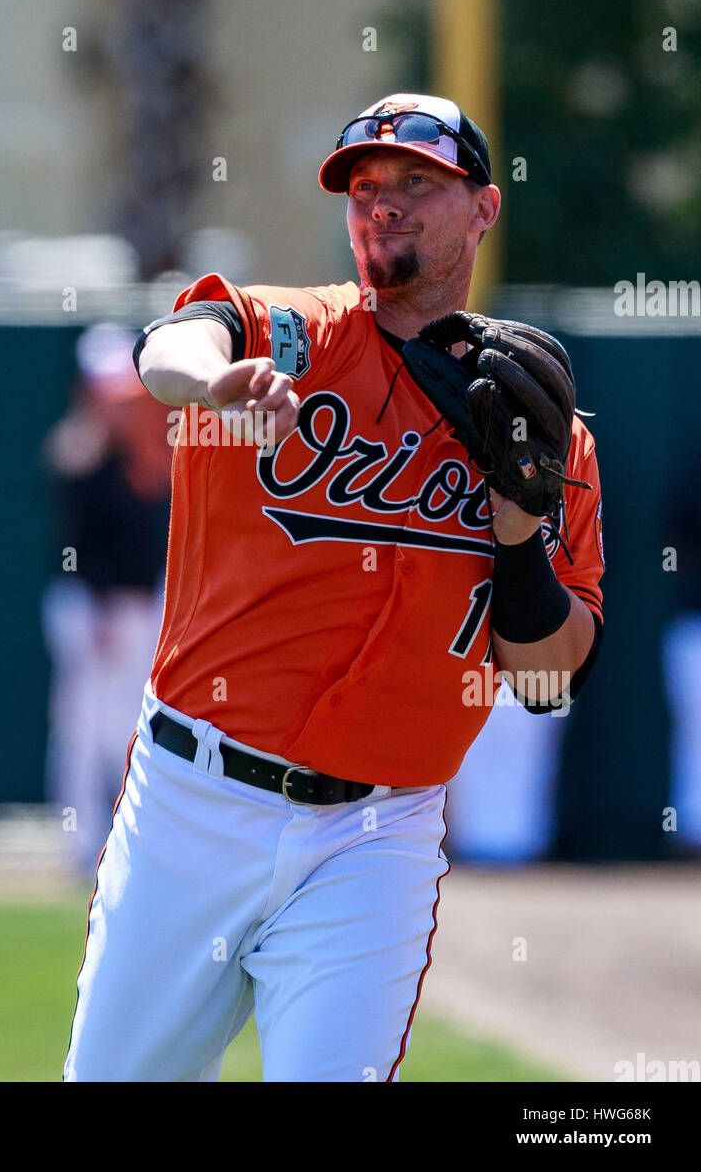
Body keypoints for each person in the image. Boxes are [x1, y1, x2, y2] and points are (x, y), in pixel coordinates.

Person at [64, 93, 605, 1082]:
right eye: (364, 188)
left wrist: (520, 535)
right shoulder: (291, 335)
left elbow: (547, 677)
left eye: (416, 184)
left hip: (378, 834)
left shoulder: (547, 431)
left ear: (485, 209)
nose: (382, 205)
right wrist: (215, 380)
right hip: (197, 801)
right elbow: (174, 345)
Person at [41, 325, 171, 877]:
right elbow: (75, 542)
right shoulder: (78, 449)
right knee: (82, 727)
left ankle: (127, 841)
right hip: (89, 608)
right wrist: (96, 610)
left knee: (132, 728)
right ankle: (79, 845)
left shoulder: (147, 446)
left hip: (142, 607)